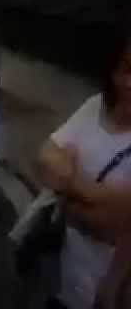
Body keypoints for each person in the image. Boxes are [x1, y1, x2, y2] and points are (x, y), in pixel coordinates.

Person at [36, 28, 131, 309]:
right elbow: (45, 159)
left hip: (110, 293)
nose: (130, 83)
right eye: (126, 69)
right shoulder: (94, 108)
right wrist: (90, 199)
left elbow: (116, 219)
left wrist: (69, 191)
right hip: (64, 279)